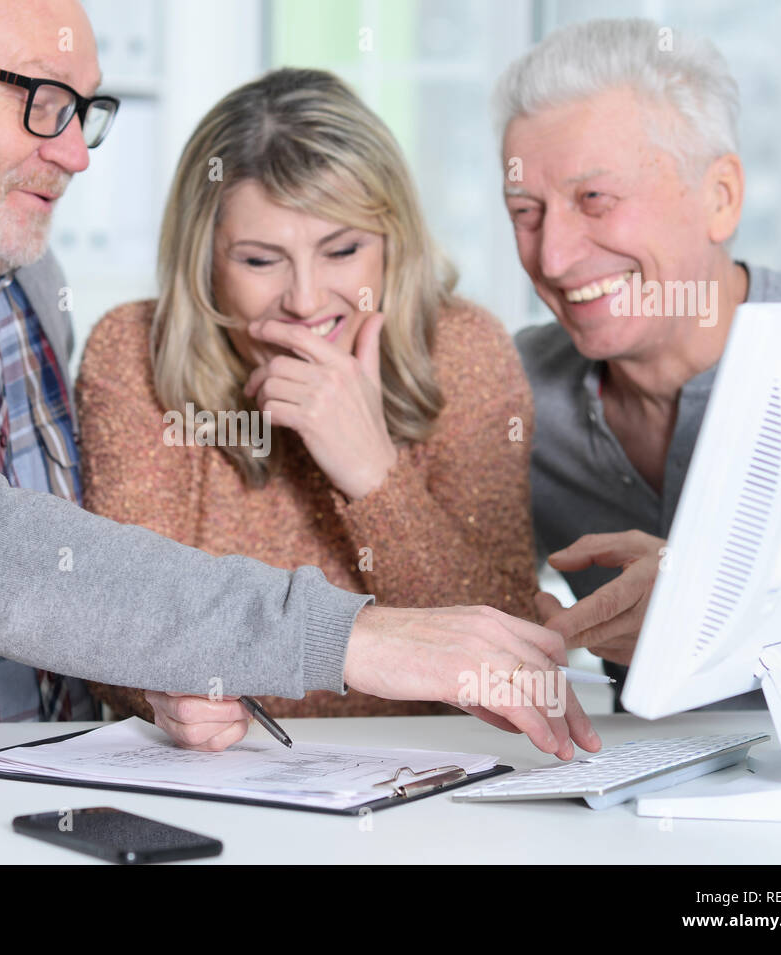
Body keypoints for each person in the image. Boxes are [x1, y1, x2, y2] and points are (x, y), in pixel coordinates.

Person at [0, 0, 599, 759]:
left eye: (81, 111)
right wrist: (342, 637)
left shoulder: (16, 269)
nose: (73, 153)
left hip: (65, 772)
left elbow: (94, 588)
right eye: (39, 100)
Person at [77, 67, 538, 729]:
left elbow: (514, 652)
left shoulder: (465, 349)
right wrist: (153, 693)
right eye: (260, 261)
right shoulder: (133, 350)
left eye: (343, 250)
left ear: (391, 245)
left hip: (429, 784)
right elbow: (120, 615)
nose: (304, 299)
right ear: (203, 259)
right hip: (218, 780)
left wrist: (371, 472)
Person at [496, 18, 781, 703]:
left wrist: (719, 619)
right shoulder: (510, 391)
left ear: (719, 196)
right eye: (525, 211)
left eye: (594, 200)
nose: (552, 258)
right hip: (627, 797)